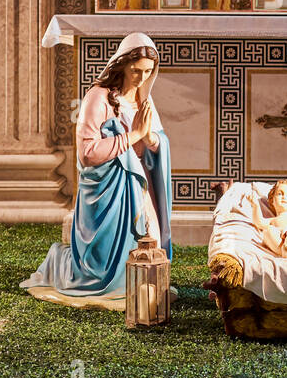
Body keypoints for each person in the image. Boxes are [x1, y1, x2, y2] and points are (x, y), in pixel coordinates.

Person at [20, 32, 173, 305]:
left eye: (148, 72)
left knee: (151, 241)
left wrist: (150, 138)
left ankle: (138, 284)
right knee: (100, 264)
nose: (141, 78)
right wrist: (134, 135)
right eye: (136, 70)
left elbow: (156, 142)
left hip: (137, 185)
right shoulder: (98, 97)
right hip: (107, 188)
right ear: (122, 65)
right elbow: (88, 153)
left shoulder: (145, 101)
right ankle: (62, 263)